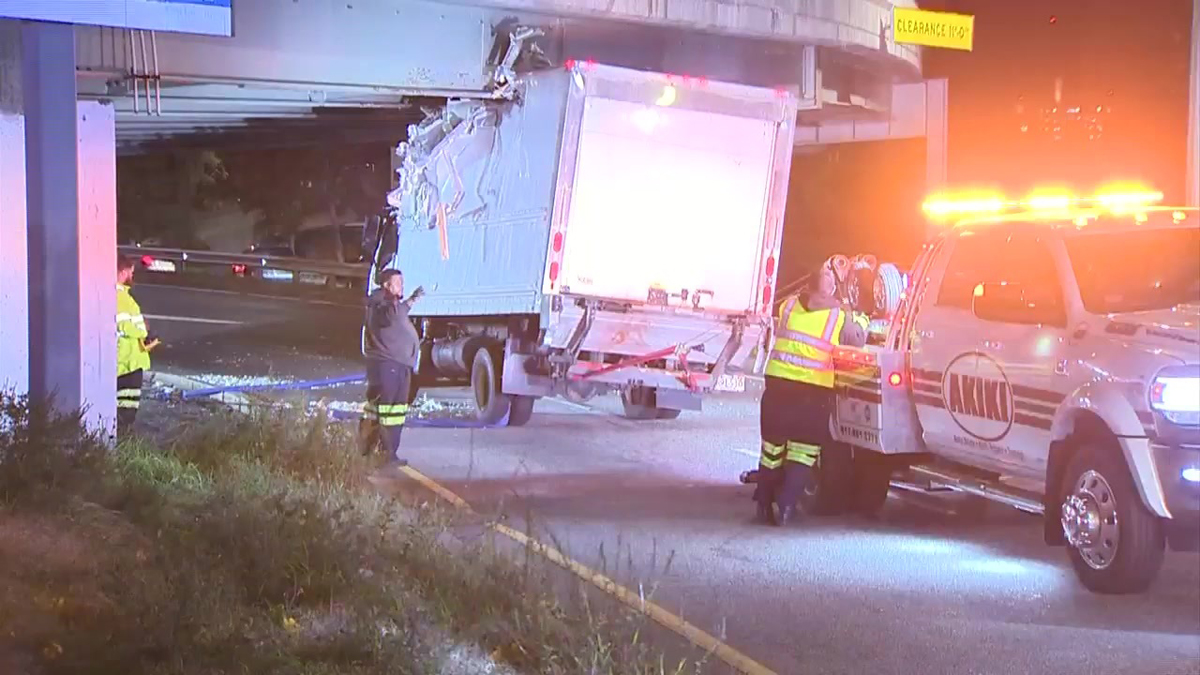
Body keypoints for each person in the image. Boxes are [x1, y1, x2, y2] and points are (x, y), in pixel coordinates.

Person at [754, 262, 867, 525]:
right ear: (830, 287)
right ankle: (786, 506)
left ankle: (763, 503)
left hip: (778, 385)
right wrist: (858, 314)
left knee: (772, 449)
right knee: (803, 450)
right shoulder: (838, 316)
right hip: (812, 390)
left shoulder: (789, 305)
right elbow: (857, 338)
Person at [361, 268, 424, 464]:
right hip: (388, 365)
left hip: (396, 364)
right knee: (387, 410)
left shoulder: (388, 303)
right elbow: (391, 317)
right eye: (398, 283)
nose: (402, 286)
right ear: (387, 285)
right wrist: (410, 301)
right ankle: (381, 453)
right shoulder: (381, 303)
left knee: (393, 412)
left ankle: (381, 452)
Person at [116, 255, 159, 437]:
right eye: (130, 272)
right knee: (125, 414)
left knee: (122, 413)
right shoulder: (120, 297)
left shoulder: (121, 296)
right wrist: (143, 331)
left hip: (126, 361)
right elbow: (124, 326)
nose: (131, 276)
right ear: (123, 272)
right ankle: (119, 451)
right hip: (128, 363)